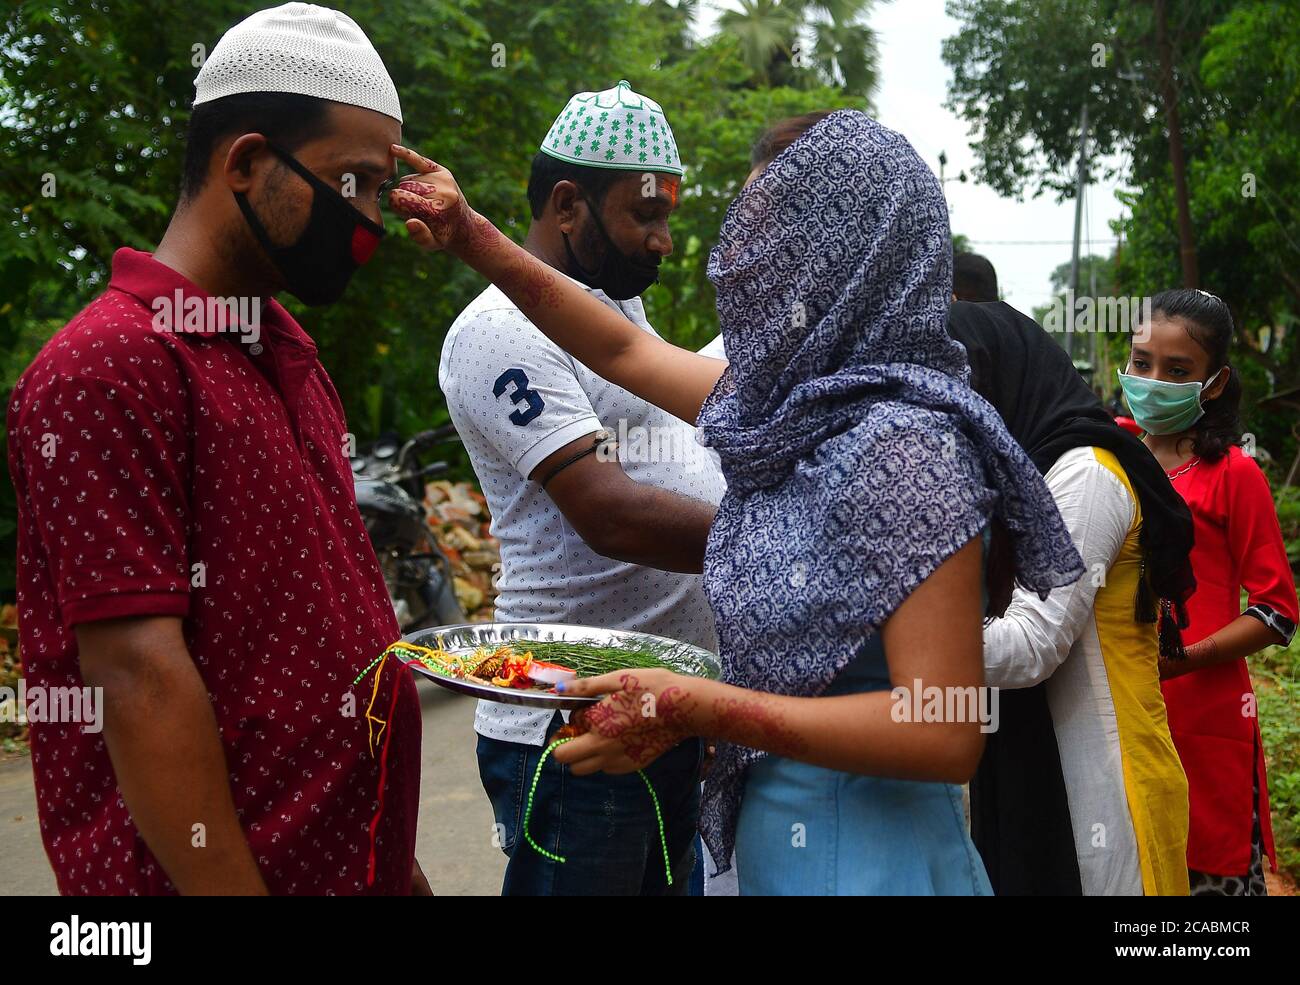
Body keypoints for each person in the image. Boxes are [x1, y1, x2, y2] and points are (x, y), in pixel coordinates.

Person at [391, 109, 1084, 894]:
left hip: (864, 864)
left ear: (844, 257)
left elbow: (943, 729)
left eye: (768, 230)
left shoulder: (904, 443)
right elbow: (622, 350)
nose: (736, 260)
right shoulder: (812, 404)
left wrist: (701, 707)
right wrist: (468, 234)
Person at [7, 3, 427, 895]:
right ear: (245, 163)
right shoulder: (108, 366)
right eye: (349, 182)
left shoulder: (288, 351)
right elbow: (137, 674)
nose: (368, 221)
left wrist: (393, 863)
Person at [436, 80, 724, 896]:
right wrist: (774, 538)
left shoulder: (620, 313)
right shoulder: (501, 329)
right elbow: (608, 513)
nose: (665, 240)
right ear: (568, 204)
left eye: (669, 214)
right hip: (569, 728)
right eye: (646, 215)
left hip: (655, 716)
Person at [949, 300, 1195, 895]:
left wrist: (879, 631)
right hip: (1039, 765)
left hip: (1103, 781)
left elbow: (1032, 645)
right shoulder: (1025, 472)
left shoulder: (1084, 474)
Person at [1119, 288, 1299, 895]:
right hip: (1117, 709)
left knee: (1204, 895)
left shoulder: (1234, 475)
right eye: (1141, 363)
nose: (1151, 381)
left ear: (1214, 383)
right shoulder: (1104, 456)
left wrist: (1185, 660)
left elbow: (1277, 612)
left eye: (1177, 371)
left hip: (1204, 718)